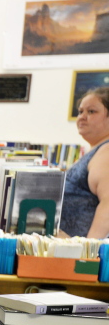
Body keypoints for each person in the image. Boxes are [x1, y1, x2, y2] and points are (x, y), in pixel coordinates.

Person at [61, 87, 109, 238]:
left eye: (91, 111)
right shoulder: (96, 150)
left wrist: (88, 251)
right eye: (80, 111)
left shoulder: (106, 151)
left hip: (81, 254)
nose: (82, 117)